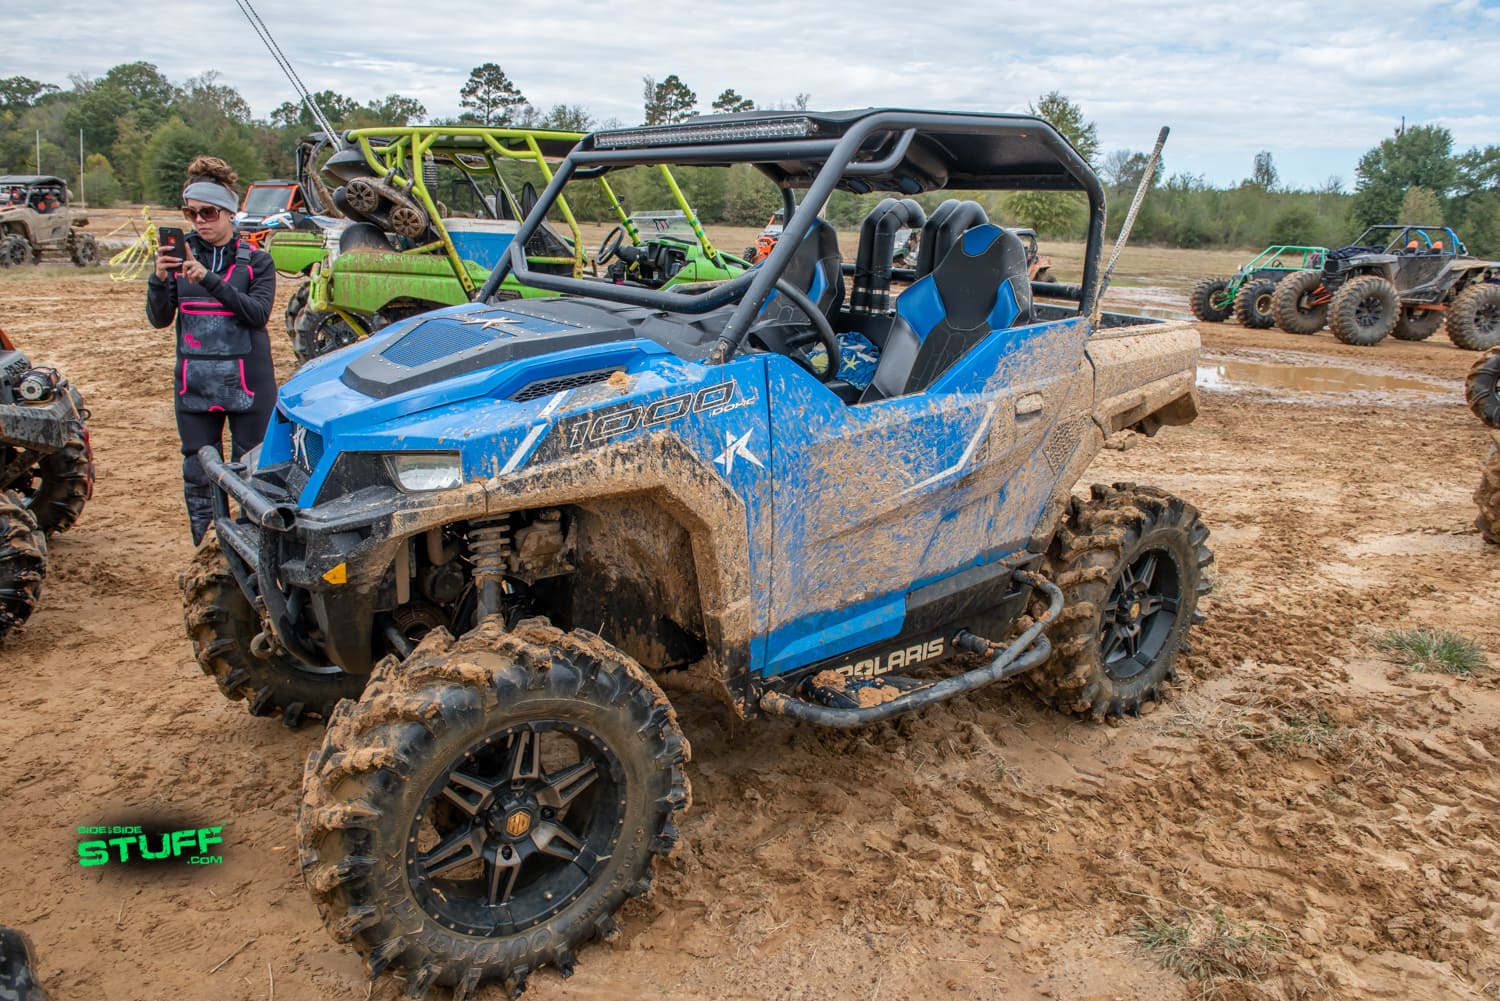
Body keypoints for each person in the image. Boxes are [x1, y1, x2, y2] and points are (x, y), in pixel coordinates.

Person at [146, 156, 277, 545]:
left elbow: (257, 314)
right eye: (191, 213)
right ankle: (205, 547)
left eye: (208, 212)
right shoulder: (176, 261)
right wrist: (158, 279)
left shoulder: (257, 262)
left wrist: (209, 280)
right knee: (197, 470)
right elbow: (159, 319)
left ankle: (253, 546)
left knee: (251, 473)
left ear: (229, 213)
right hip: (195, 385)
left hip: (249, 386)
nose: (199, 221)